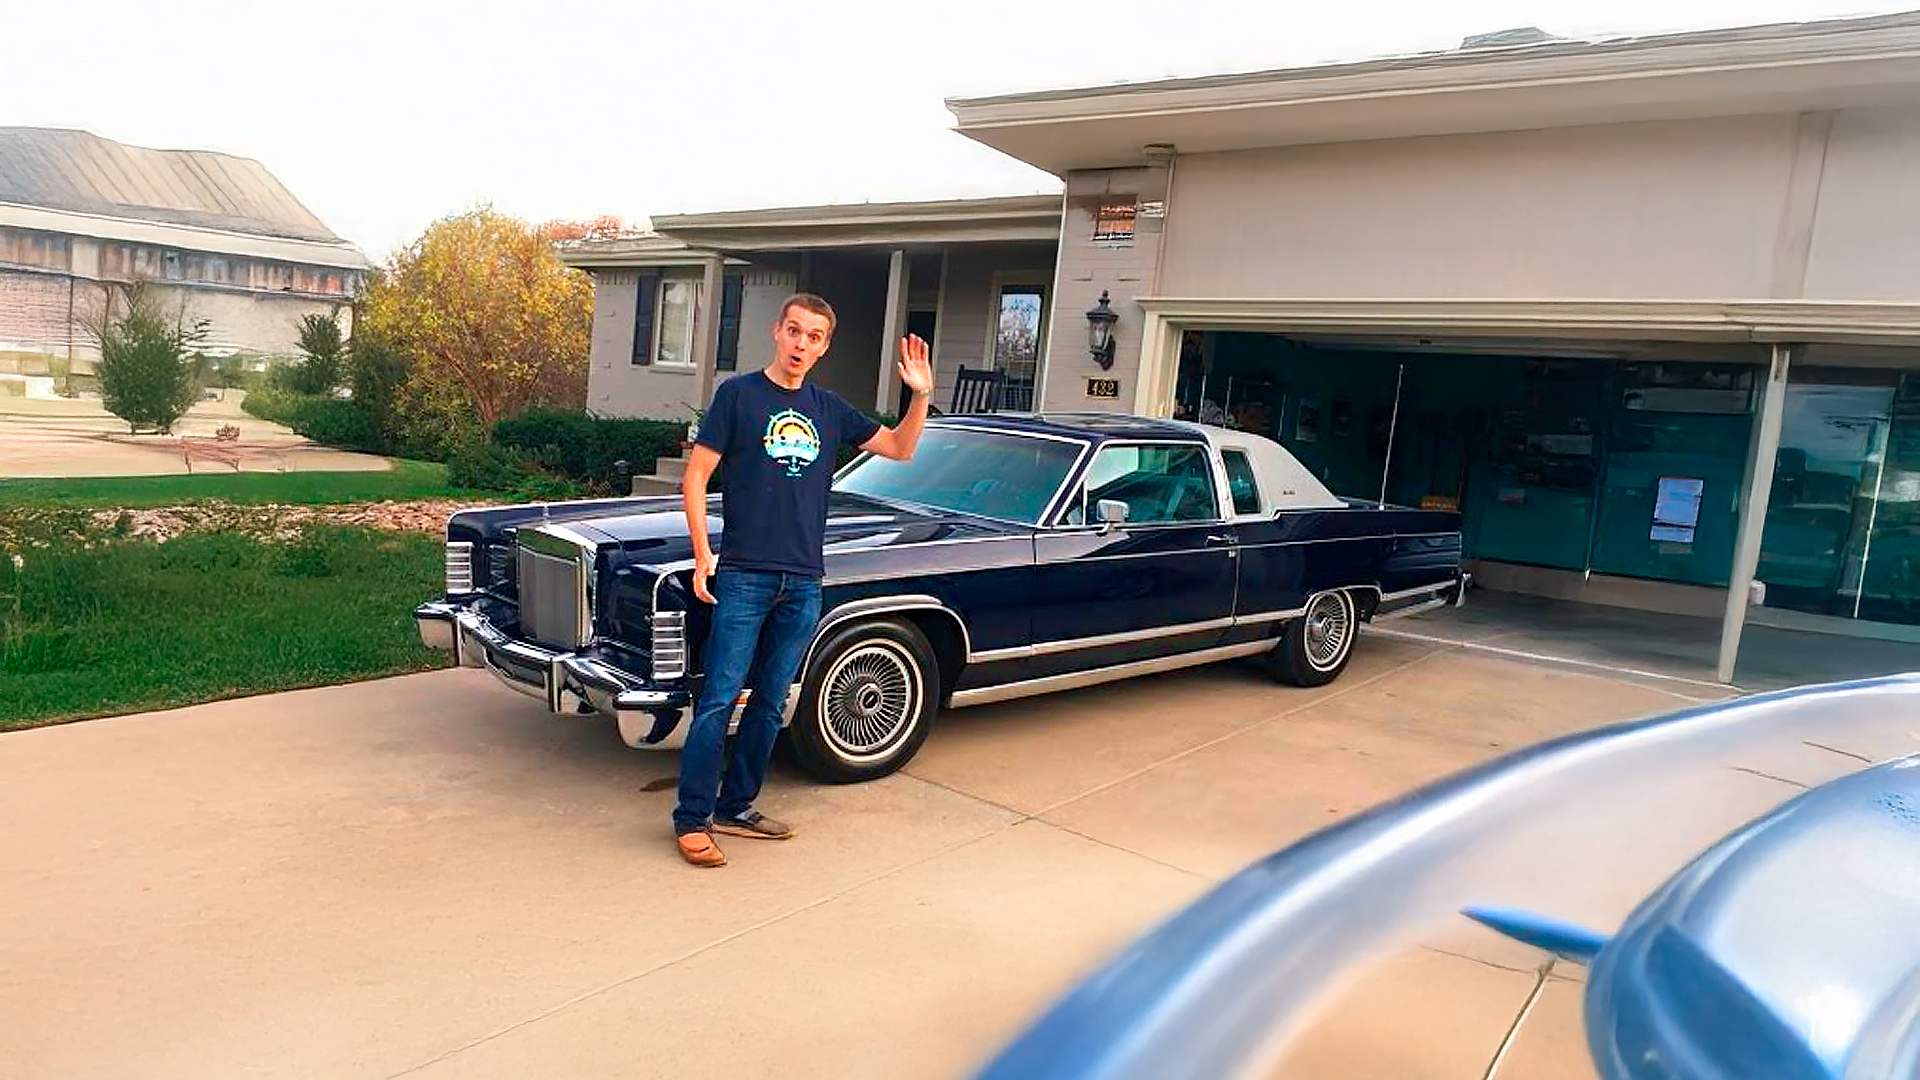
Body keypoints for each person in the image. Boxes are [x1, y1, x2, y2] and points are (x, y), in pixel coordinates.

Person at [671, 292, 933, 867]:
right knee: (718, 699)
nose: (801, 344)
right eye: (794, 331)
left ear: (823, 346)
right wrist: (701, 552)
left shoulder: (828, 407)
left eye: (813, 337)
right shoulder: (738, 396)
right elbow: (697, 477)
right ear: (777, 332)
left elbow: (900, 447)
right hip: (744, 574)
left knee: (770, 703)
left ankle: (736, 808)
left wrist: (920, 396)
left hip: (804, 580)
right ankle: (692, 819)